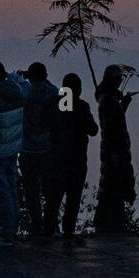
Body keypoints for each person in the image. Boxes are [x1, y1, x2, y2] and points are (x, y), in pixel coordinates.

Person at [43, 72, 98, 245]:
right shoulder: (81, 106)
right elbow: (93, 130)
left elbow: (42, 124)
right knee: (73, 196)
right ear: (79, 89)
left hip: (56, 157)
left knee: (53, 196)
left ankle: (48, 229)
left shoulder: (52, 104)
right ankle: (68, 231)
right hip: (76, 158)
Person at [0, 61, 28, 246]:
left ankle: (7, 233)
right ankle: (12, 230)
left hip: (0, 149)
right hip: (14, 147)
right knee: (11, 188)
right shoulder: (19, 91)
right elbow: (24, 83)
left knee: (3, 192)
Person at [94, 66, 135, 233]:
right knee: (115, 186)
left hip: (112, 149)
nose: (119, 82)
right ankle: (112, 223)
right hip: (115, 150)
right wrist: (115, 153)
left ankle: (107, 222)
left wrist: (123, 104)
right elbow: (113, 128)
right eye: (118, 79)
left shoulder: (107, 100)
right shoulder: (109, 101)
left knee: (112, 186)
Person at [20, 63, 59, 237]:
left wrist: (22, 79)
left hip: (28, 149)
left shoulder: (24, 93)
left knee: (31, 191)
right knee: (50, 189)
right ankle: (51, 225)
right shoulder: (54, 93)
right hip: (48, 149)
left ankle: (36, 224)